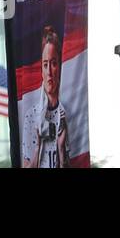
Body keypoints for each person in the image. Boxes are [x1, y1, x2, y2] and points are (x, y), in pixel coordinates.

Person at [25, 25, 69, 167]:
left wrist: (61, 148)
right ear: (41, 71)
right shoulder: (31, 116)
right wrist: (38, 147)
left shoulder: (66, 113)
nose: (49, 71)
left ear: (60, 67)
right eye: (45, 64)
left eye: (54, 63)